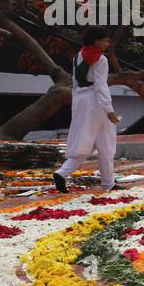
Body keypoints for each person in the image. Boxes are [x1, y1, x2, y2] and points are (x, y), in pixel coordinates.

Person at [54, 27, 121, 192]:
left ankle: (63, 172)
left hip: (81, 100)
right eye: (106, 40)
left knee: (84, 140)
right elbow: (100, 85)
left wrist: (76, 105)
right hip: (96, 102)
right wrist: (109, 109)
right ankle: (107, 183)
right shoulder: (101, 59)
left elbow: (75, 83)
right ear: (96, 41)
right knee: (106, 142)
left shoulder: (77, 56)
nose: (108, 43)